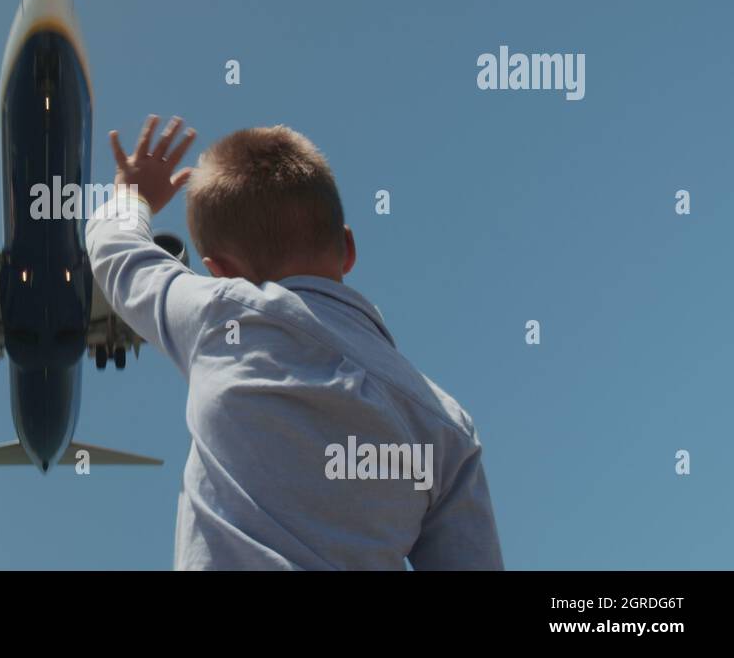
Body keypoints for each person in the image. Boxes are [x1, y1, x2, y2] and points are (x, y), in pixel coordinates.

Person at [86, 115, 503, 570]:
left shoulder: (222, 315)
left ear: (218, 270)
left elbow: (118, 255)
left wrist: (133, 196)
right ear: (347, 247)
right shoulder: (446, 426)